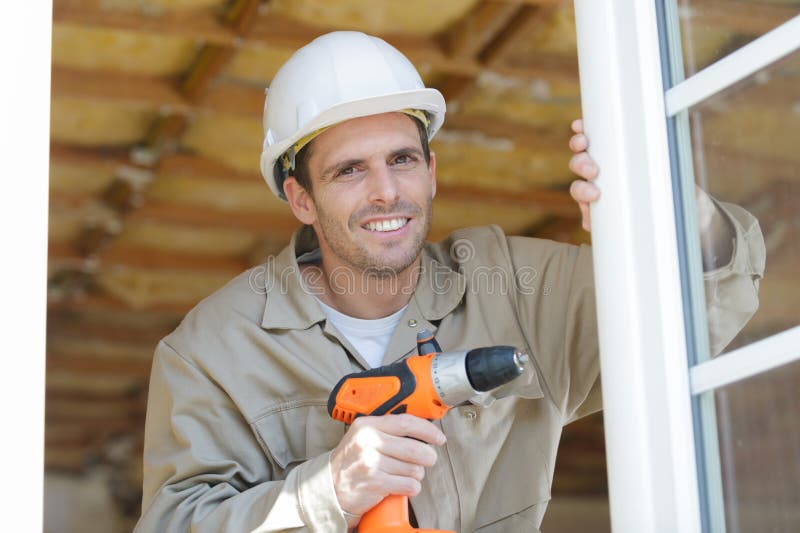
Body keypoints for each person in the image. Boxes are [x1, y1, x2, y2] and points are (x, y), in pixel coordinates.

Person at [135, 31, 764, 532]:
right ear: (300, 198)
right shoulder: (213, 350)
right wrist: (327, 493)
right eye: (349, 170)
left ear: (431, 171)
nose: (386, 191)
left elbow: (708, 313)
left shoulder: (515, 289)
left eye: (402, 160)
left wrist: (670, 206)